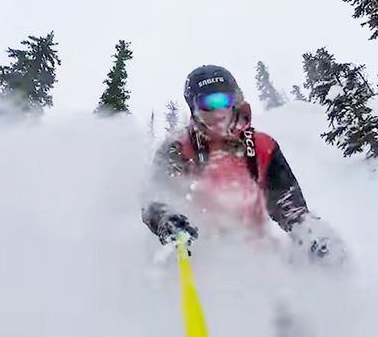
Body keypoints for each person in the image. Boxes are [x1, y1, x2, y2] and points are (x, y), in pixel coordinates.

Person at [141, 65, 346, 264]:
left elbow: (289, 206)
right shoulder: (178, 148)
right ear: (193, 109)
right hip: (197, 256)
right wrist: (166, 217)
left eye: (223, 100)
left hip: (255, 257)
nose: (217, 113)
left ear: (235, 101)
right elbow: (155, 195)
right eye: (206, 104)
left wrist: (314, 236)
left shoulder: (262, 146)